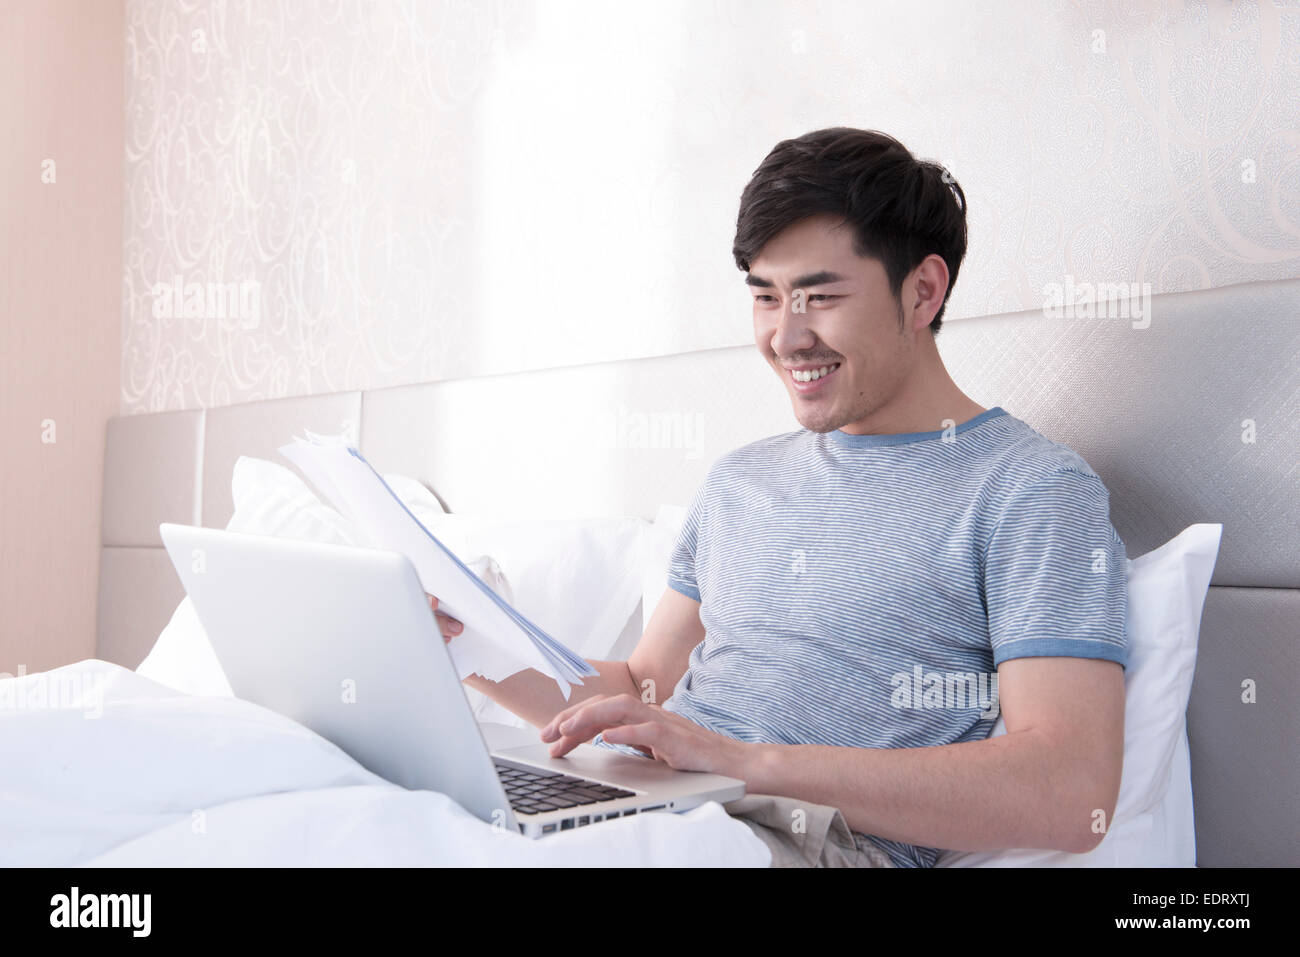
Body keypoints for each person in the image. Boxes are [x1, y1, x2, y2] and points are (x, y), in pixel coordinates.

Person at [428, 128, 1128, 867]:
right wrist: (465, 642)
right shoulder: (739, 482)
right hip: (655, 805)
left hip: (796, 841)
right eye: (766, 298)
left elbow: (1069, 790)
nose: (786, 337)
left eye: (818, 296)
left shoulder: (1031, 490)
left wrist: (739, 761)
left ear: (922, 291)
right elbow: (639, 687)